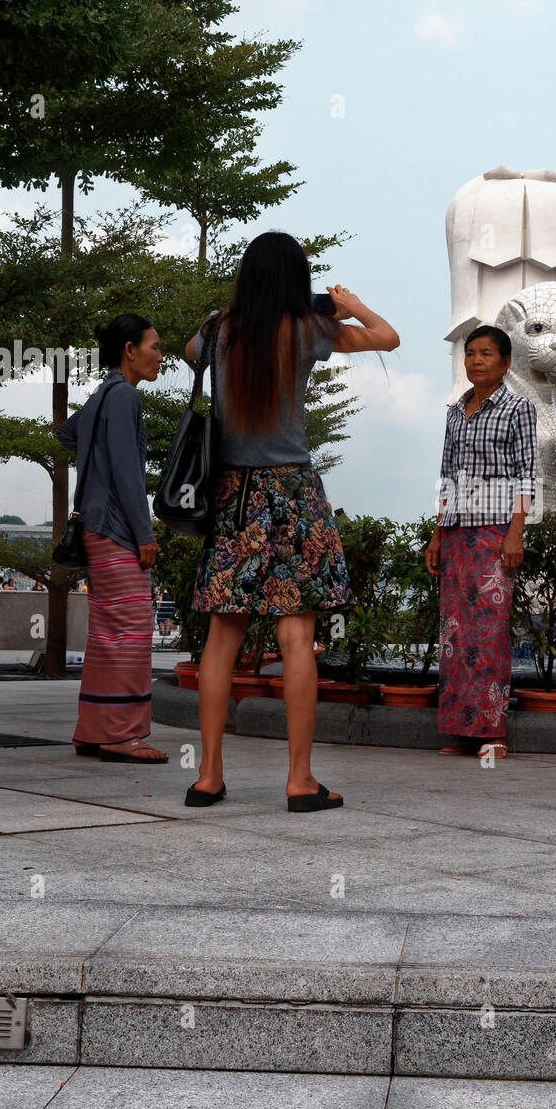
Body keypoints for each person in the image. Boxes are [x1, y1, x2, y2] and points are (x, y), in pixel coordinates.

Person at [185, 230, 399, 811]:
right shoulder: (306, 330)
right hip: (292, 493)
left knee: (221, 637)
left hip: (231, 495)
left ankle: (207, 776)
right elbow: (388, 338)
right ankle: (300, 780)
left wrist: (228, 315)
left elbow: (187, 352)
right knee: (297, 635)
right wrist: (345, 304)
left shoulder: (218, 330)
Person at [55, 315, 167, 763]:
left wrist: (92, 456)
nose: (161, 356)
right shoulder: (123, 397)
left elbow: (66, 433)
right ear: (129, 349)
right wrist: (145, 533)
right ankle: (121, 734)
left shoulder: (103, 394)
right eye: (155, 347)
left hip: (95, 527)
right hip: (118, 529)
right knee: (132, 630)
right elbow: (127, 472)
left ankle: (93, 730)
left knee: (106, 632)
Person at [426, 324, 537, 762]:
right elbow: (447, 476)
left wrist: (516, 533)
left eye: (486, 353)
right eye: (470, 353)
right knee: (454, 634)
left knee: (489, 633)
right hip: (456, 531)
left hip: (494, 532)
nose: (475, 360)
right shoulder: (455, 411)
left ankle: (493, 732)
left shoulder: (517, 409)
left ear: (506, 362)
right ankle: (460, 729)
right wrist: (436, 533)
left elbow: (528, 475)